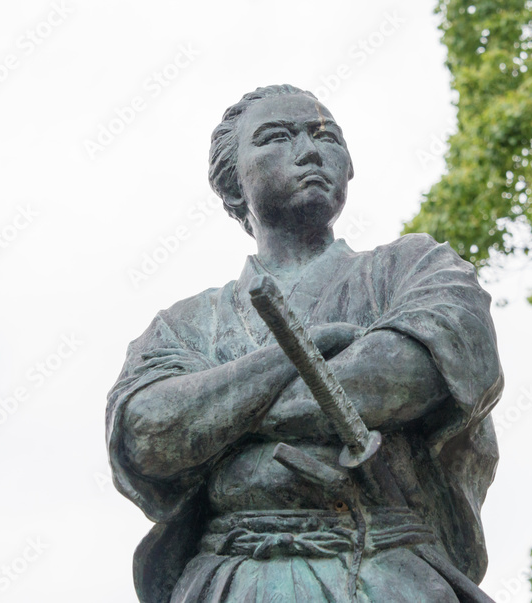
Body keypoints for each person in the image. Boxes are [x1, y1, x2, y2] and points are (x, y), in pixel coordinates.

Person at [106, 85, 503, 602]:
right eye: (277, 137)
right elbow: (149, 434)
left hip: (386, 567)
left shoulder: (417, 268)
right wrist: (290, 356)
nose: (311, 150)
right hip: (233, 576)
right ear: (233, 187)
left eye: (327, 137)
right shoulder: (184, 325)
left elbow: (407, 373)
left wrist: (222, 420)